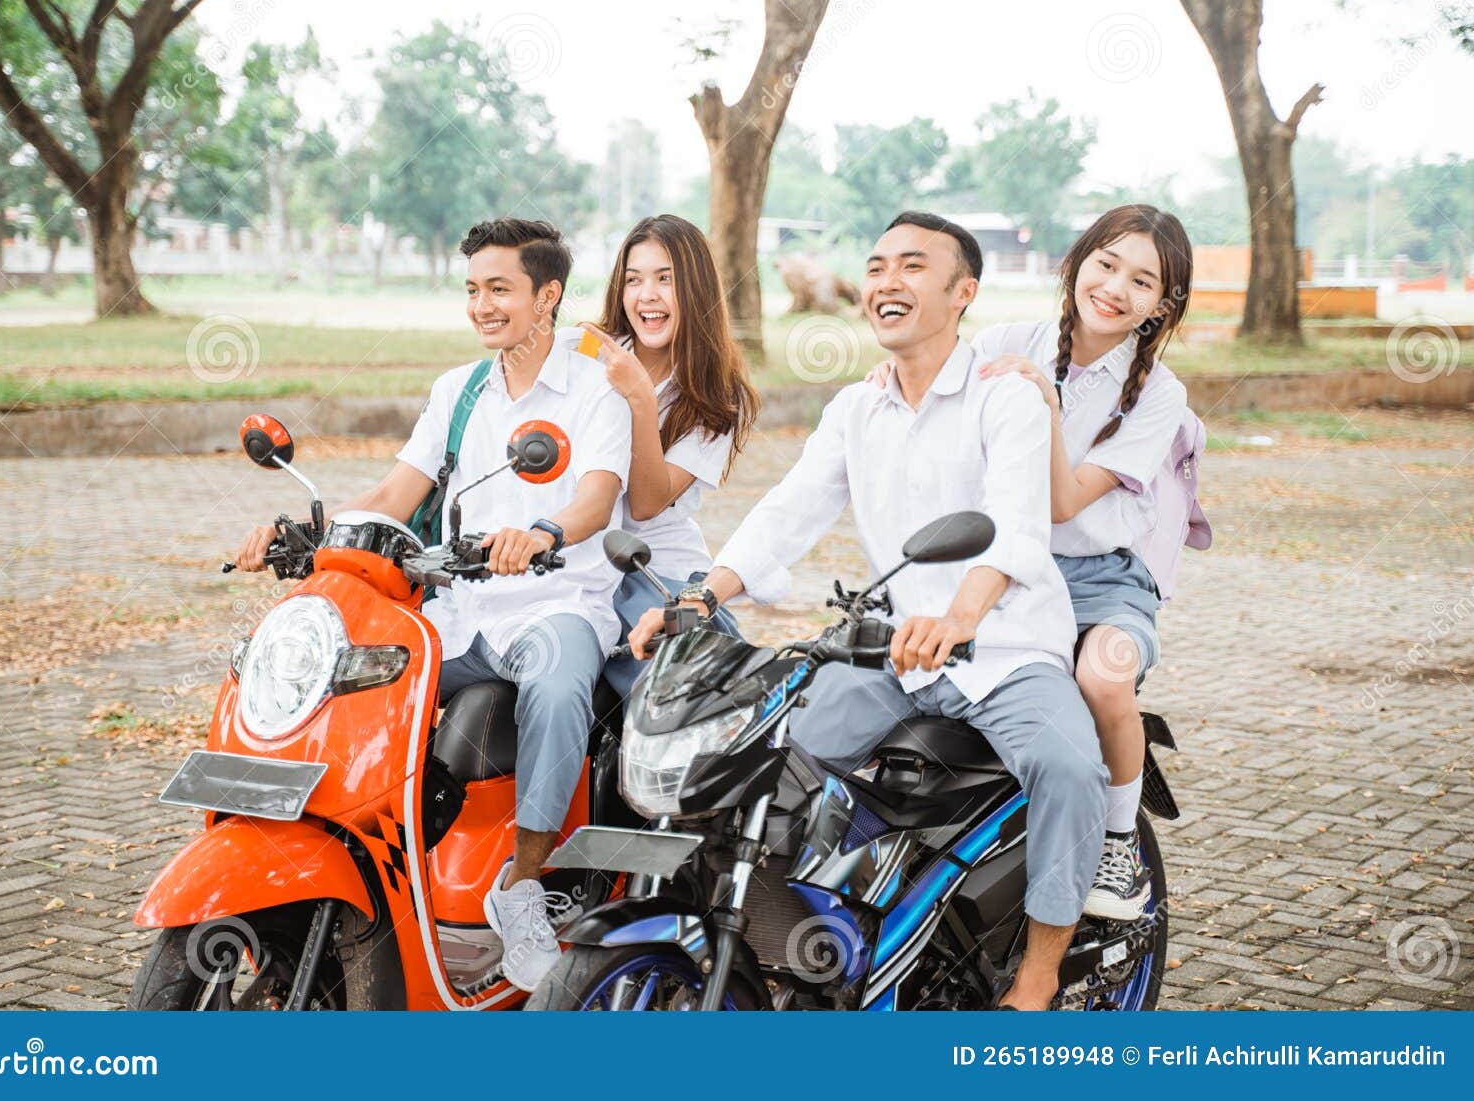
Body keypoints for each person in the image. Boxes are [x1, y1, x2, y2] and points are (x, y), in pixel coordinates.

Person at [628, 212, 1107, 1011]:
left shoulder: (1005, 399)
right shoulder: (856, 407)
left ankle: (1039, 971)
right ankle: (835, 938)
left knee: (1069, 767)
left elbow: (1017, 527)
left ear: (963, 293)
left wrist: (958, 616)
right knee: (771, 764)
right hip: (889, 651)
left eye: (912, 266)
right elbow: (789, 510)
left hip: (1004, 648)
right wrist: (700, 595)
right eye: (877, 265)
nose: (887, 281)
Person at [233, 218, 631, 991]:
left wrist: (542, 531)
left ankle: (525, 885)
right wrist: (301, 534)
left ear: (547, 295)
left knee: (555, 685)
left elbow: (597, 496)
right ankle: (356, 860)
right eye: (474, 290)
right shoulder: (460, 390)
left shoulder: (592, 388)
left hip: (557, 600)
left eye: (501, 289)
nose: (483, 305)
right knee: (349, 675)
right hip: (457, 610)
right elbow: (394, 493)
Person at [969, 204, 1194, 921]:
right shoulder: (1004, 339)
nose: (1116, 287)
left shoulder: (1159, 394)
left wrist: (1043, 399)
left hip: (1102, 582)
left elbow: (1064, 503)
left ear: (1161, 306)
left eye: (1142, 280)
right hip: (1004, 563)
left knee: (1103, 672)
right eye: (1106, 263)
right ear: (1077, 262)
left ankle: (1118, 844)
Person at [565, 214, 760, 695]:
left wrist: (640, 400)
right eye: (633, 279)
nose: (646, 295)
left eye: (665, 279)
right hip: (573, 558)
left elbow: (647, 504)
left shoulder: (717, 395)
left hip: (654, 568)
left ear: (696, 290)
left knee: (688, 691)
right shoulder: (584, 352)